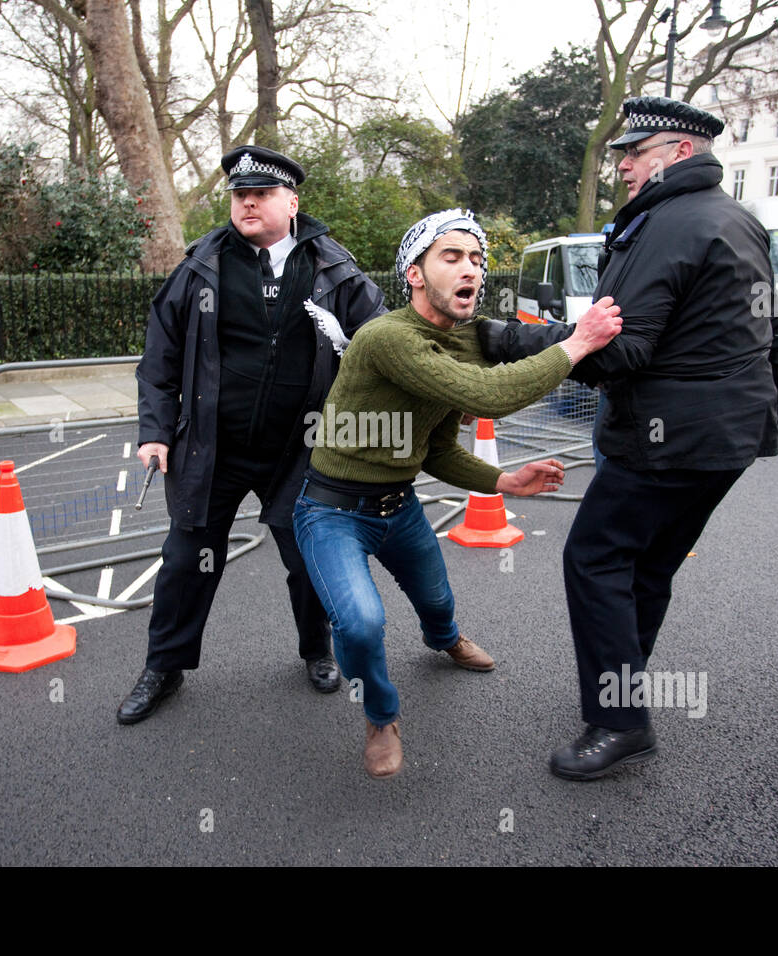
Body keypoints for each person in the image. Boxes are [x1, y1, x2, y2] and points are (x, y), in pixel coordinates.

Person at [478, 96, 778, 780]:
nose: (621, 164)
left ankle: (620, 723)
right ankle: (622, 685)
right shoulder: (739, 220)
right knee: (647, 564)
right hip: (728, 437)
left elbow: (618, 349)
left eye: (635, 152)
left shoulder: (666, 225)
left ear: (679, 153)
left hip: (667, 438)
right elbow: (777, 327)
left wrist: (505, 340)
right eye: (621, 152)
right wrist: (773, 394)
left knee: (595, 559)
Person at [292, 209, 623, 777]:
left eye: (476, 259)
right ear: (415, 274)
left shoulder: (463, 340)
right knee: (362, 625)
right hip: (330, 511)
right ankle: (380, 715)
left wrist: (504, 481)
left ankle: (444, 640)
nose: (470, 268)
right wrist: (577, 343)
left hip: (399, 507)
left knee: (438, 602)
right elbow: (487, 393)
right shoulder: (387, 337)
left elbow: (438, 447)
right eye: (451, 256)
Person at [119, 145, 386, 724]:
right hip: (212, 449)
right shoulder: (202, 267)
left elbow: (385, 344)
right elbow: (158, 357)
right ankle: (162, 667)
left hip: (301, 449)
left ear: (292, 202)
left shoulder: (334, 270)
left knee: (308, 558)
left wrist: (355, 349)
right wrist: (155, 430)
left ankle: (317, 651)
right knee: (187, 560)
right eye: (240, 194)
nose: (247, 203)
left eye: (261, 194)